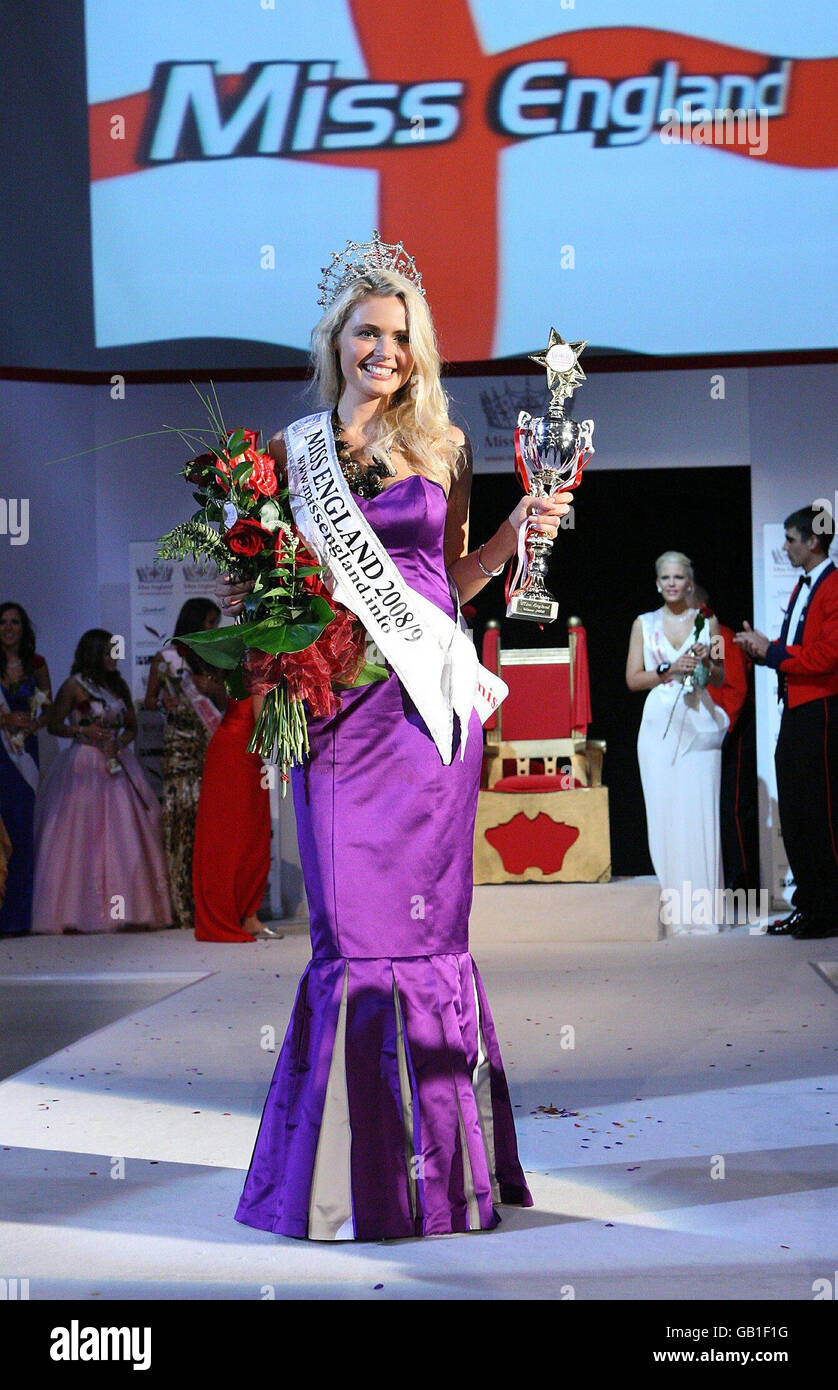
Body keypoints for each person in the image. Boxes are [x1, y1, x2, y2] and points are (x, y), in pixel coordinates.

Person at [220, 236, 567, 1240]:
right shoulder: (292, 454)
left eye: (401, 338)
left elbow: (445, 583)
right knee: (353, 935)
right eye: (367, 334)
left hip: (426, 714)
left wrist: (510, 542)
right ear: (335, 341)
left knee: (423, 935)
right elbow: (267, 589)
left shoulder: (444, 446)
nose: (385, 352)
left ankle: (439, 1178)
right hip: (339, 716)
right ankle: (345, 1180)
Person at [736, 504, 838, 939]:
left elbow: (825, 656)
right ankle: (810, 905)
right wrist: (762, 651)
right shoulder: (806, 586)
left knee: (821, 815)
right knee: (797, 814)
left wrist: (771, 651)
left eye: (791, 539)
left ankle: (829, 908)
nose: (785, 547)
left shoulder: (833, 587)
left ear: (813, 542)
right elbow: (799, 648)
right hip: (796, 709)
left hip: (822, 711)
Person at [32, 630, 172, 933]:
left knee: (124, 838)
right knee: (83, 839)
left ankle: (128, 910)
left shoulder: (117, 684)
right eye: (108, 653)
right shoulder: (74, 686)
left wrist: (119, 741)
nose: (114, 658)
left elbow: (132, 726)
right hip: (84, 765)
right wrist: (83, 734)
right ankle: (80, 912)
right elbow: (54, 725)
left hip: (118, 762)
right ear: (94, 654)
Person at [626, 552, 728, 935]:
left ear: (689, 582)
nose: (672, 583)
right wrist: (669, 670)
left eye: (679, 577)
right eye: (665, 577)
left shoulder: (708, 622)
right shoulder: (644, 624)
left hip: (699, 726)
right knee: (665, 815)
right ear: (657, 582)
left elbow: (719, 677)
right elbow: (633, 679)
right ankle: (673, 912)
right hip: (657, 730)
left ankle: (702, 914)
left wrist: (705, 661)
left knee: (698, 815)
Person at [143, 599, 227, 930]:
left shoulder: (216, 656)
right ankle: (181, 907)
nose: (214, 628)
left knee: (208, 828)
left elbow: (226, 702)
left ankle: (210, 906)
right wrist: (162, 700)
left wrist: (212, 687)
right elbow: (149, 700)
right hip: (179, 744)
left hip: (212, 746)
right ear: (194, 621)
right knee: (180, 825)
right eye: (209, 622)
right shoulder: (166, 658)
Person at [191, 693, 273, 942]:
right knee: (242, 839)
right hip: (240, 754)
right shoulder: (262, 668)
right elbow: (264, 724)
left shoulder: (248, 664)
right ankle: (241, 915)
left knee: (239, 838)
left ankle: (248, 915)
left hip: (234, 750)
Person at [694, 585, 759, 895]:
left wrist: (720, 732)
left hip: (729, 735)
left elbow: (735, 691)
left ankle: (743, 882)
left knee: (732, 809)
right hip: (701, 738)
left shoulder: (721, 638)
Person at [0, 602, 52, 935]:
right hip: (0, 752)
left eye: (15, 622)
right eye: (2, 622)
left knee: (22, 834)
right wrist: (4, 718)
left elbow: (50, 710)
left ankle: (17, 918)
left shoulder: (37, 665)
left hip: (24, 754)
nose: (8, 628)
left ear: (24, 628)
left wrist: (35, 724)